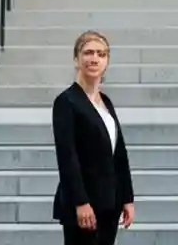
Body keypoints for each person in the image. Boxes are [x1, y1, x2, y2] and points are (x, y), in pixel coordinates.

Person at [52, 30, 135, 244]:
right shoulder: (66, 102)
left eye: (101, 53)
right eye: (88, 52)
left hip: (110, 203)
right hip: (84, 206)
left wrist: (127, 198)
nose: (94, 58)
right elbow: (67, 157)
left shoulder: (105, 101)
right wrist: (81, 202)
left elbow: (119, 153)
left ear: (107, 61)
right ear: (76, 59)